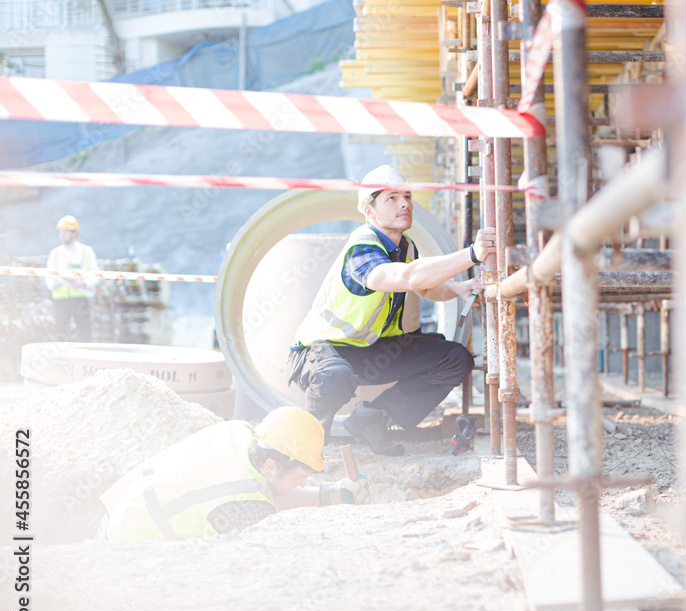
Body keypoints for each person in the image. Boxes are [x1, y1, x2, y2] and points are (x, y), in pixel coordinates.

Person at [287, 165, 496, 456]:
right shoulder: (362, 249)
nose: (404, 204)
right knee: (334, 377)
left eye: (407, 197)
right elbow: (405, 277)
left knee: (454, 358)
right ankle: (304, 449)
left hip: (373, 351)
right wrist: (471, 255)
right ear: (369, 212)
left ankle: (371, 418)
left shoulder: (404, 246)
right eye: (392, 198)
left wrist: (458, 288)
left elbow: (424, 287)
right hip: (324, 352)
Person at [99, 407, 367, 541]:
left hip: (122, 510)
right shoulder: (244, 502)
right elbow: (261, 502)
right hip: (135, 542)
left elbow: (268, 492)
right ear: (271, 466)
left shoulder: (241, 432)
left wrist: (333, 493)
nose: (303, 483)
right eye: (299, 478)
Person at [45, 215, 100, 342]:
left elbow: (95, 274)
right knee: (61, 333)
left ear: (74, 233)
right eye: (60, 232)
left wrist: (85, 283)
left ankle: (86, 359)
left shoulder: (86, 251)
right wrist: (52, 285)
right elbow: (48, 274)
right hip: (60, 298)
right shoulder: (55, 253)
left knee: (84, 332)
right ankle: (63, 361)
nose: (62, 235)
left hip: (80, 297)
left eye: (65, 231)